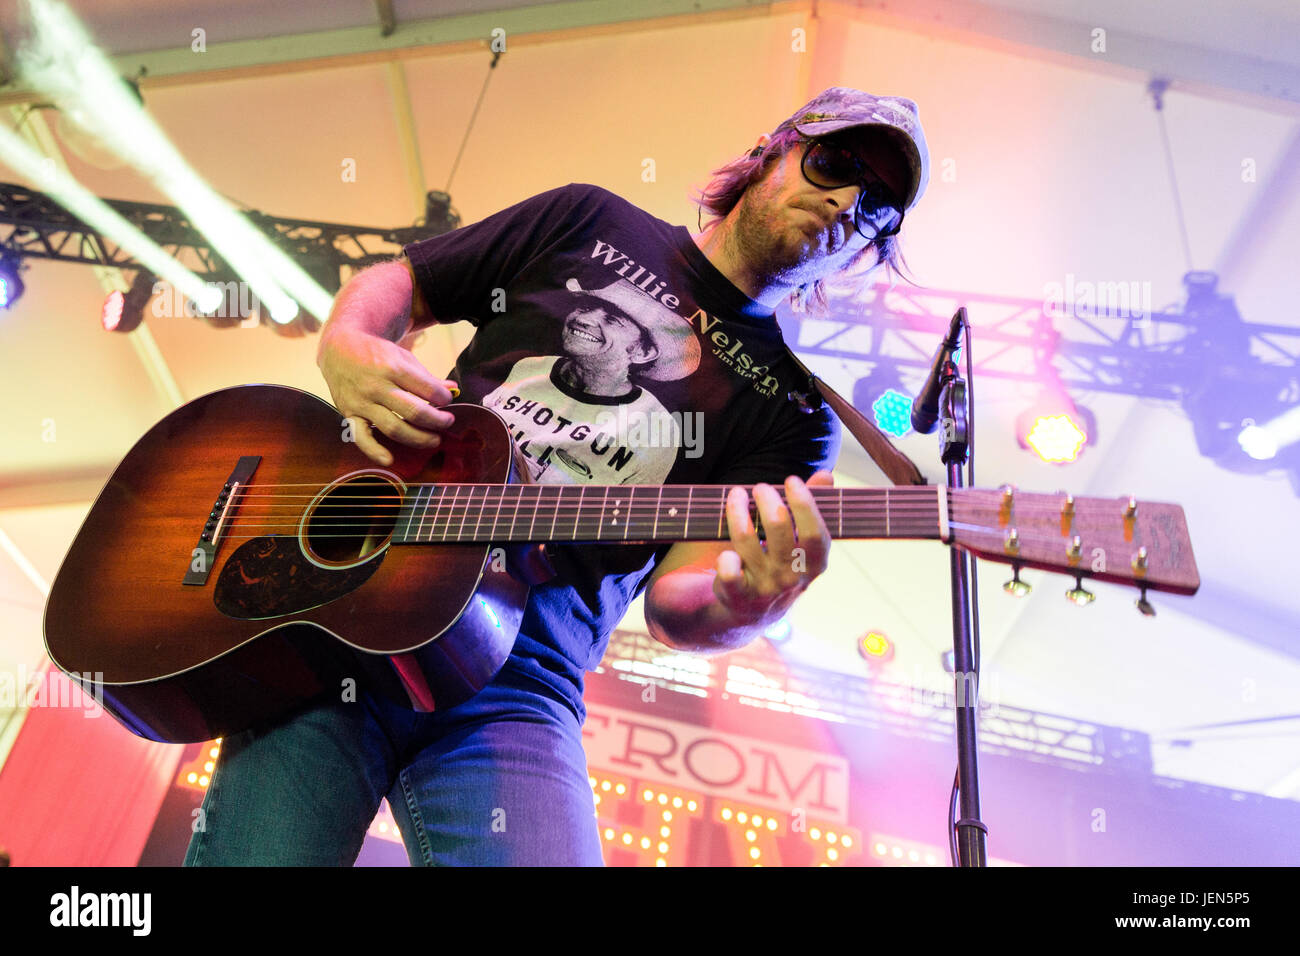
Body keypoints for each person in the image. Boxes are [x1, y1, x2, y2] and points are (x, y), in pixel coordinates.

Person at [183, 87, 930, 866]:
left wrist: (750, 602)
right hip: (350, 606)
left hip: (517, 682)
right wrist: (346, 335)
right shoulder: (588, 219)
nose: (847, 198)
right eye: (835, 162)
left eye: (877, 202)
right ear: (772, 150)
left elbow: (679, 604)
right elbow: (407, 282)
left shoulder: (795, 415)